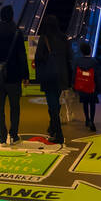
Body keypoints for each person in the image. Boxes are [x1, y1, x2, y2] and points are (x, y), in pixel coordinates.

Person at [0, 4, 29, 144]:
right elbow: (22, 55)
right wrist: (26, 75)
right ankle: (14, 135)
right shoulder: (16, 32)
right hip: (14, 76)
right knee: (15, 107)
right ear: (11, 16)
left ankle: (1, 137)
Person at [34, 14, 73, 143]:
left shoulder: (45, 39)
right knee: (55, 102)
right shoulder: (64, 38)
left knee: (53, 105)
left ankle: (59, 135)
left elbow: (39, 57)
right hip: (61, 75)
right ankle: (52, 128)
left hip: (49, 76)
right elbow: (69, 57)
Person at [73, 40, 101, 131]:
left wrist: (73, 85)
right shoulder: (94, 61)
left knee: (85, 103)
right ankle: (92, 121)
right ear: (90, 50)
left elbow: (74, 74)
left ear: (81, 51)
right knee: (92, 104)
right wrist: (100, 88)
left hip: (82, 86)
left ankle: (87, 119)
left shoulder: (77, 61)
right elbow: (97, 76)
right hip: (92, 88)